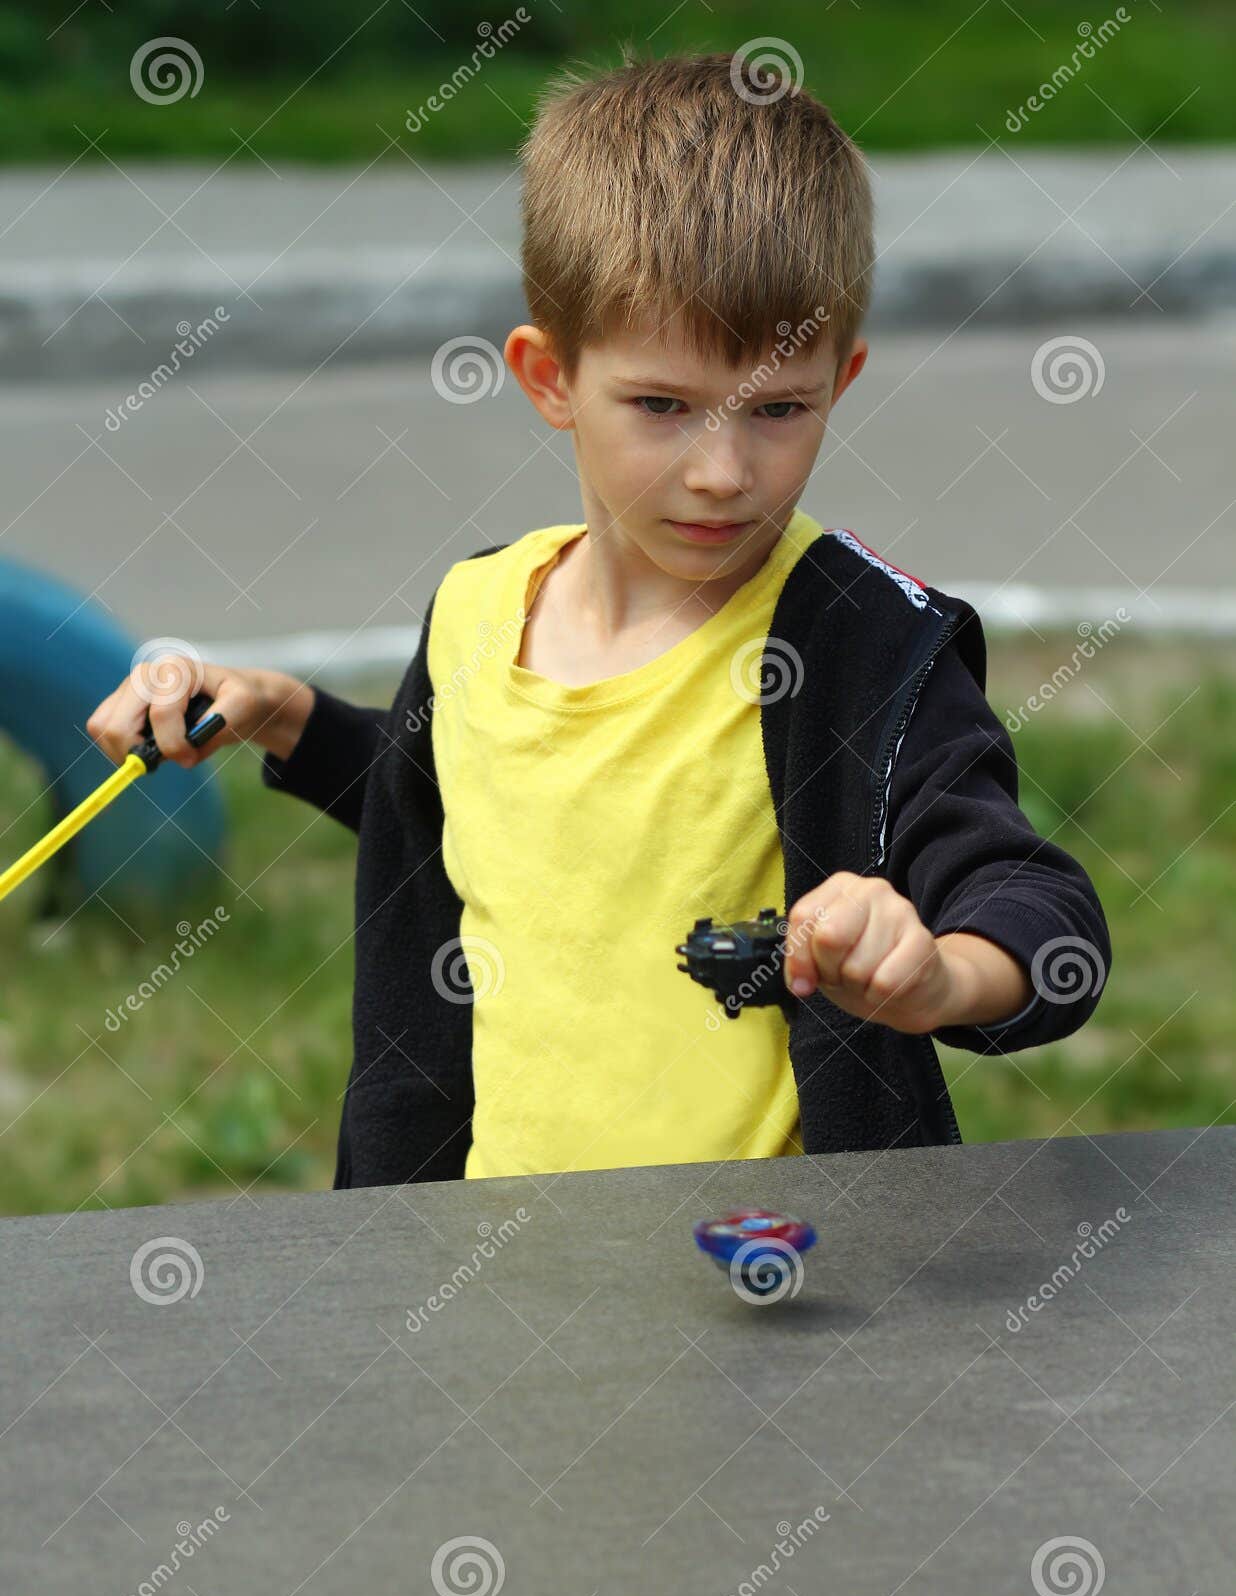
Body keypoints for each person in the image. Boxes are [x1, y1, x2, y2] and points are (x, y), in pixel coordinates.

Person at [87, 49, 1111, 1191]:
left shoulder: (855, 645)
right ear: (549, 377)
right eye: (663, 407)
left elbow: (1039, 907)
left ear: (843, 376)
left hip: (777, 1295)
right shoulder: (477, 610)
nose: (723, 470)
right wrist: (290, 720)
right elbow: (510, 812)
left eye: (778, 409)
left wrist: (940, 977)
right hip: (489, 1276)